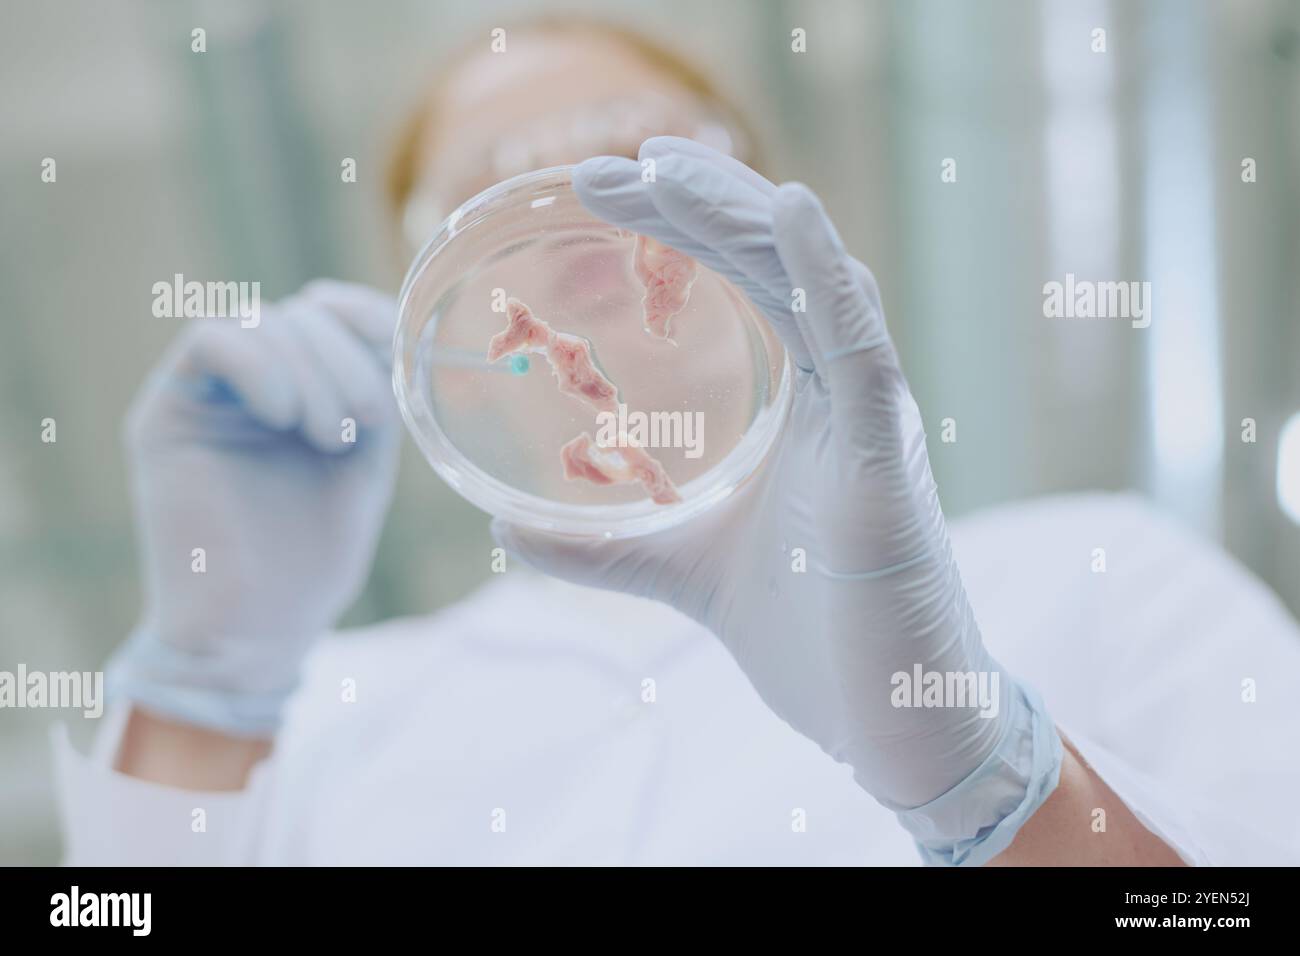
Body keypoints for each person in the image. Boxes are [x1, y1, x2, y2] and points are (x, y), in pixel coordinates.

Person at [55, 21, 1300, 866]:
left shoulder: (1099, 565)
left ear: (772, 212)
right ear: (429, 333)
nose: (573, 188)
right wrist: (202, 689)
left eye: (630, 138)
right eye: (491, 181)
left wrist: (993, 779)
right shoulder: (335, 703)